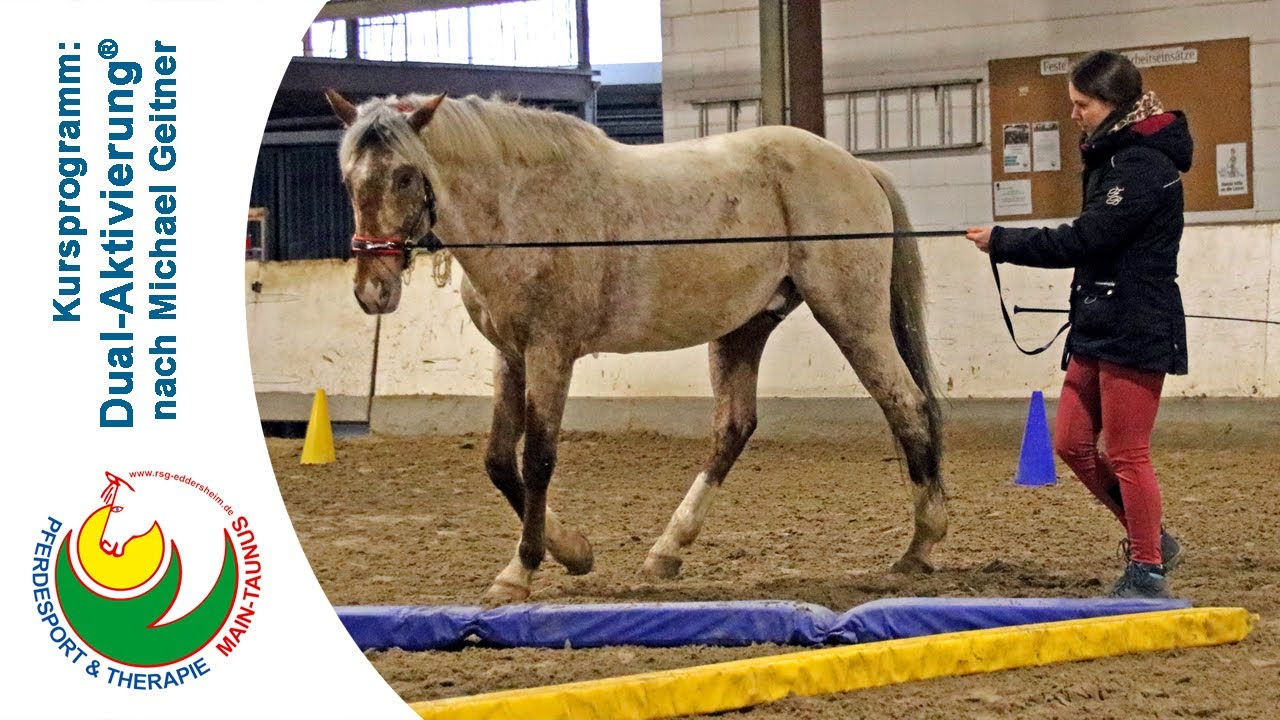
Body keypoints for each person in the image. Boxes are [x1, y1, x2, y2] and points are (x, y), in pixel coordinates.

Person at [966, 50, 1192, 599]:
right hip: (1098, 321)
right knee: (1070, 440)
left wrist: (1004, 241)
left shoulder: (1141, 169)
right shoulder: (1113, 160)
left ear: (1113, 105)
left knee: (1129, 451)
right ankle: (1152, 538)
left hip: (1134, 327)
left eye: (1081, 105)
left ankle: (1147, 568)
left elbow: (1084, 240)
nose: (1074, 115)